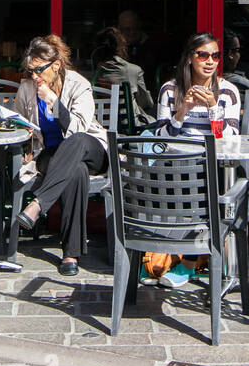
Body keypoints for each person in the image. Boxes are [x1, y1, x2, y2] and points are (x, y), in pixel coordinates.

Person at [146, 32, 243, 288]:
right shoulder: (170, 89)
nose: (210, 61)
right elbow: (161, 136)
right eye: (203, 55)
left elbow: (229, 137)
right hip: (177, 160)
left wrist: (213, 108)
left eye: (215, 56)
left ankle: (188, 263)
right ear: (190, 58)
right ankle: (179, 258)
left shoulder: (228, 92)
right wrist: (183, 110)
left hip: (211, 160)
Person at [12, 34, 109, 277]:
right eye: (30, 71)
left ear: (55, 66)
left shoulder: (79, 85)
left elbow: (78, 128)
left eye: (38, 70)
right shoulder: (26, 89)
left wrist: (54, 102)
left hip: (91, 148)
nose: (34, 77)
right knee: (76, 172)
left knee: (76, 142)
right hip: (51, 155)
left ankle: (38, 204)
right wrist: (25, 146)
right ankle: (70, 253)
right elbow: (17, 125)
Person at [91, 26, 154, 128]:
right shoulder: (134, 70)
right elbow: (146, 103)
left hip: (102, 125)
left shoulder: (96, 73)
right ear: (121, 46)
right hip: (129, 126)